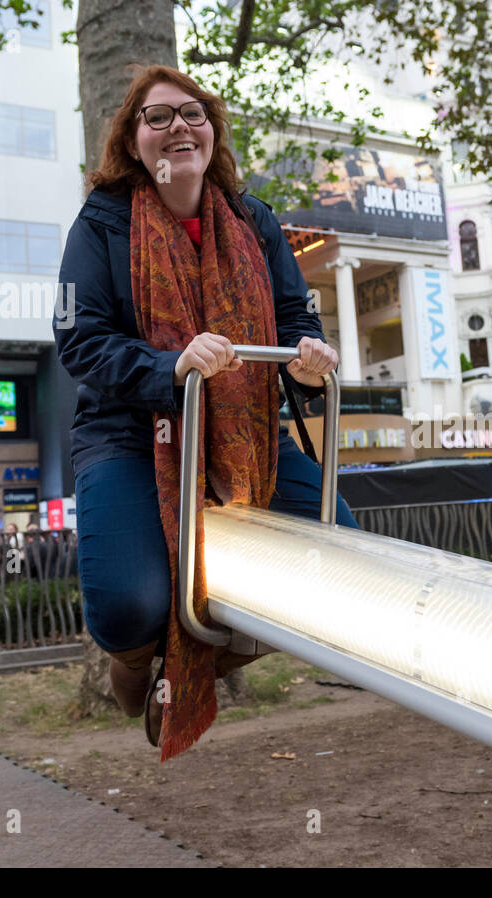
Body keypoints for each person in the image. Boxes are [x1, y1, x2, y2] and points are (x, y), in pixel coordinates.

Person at [54, 65, 360, 752]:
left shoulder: (254, 221)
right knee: (131, 606)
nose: (177, 127)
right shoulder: (101, 222)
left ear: (211, 129)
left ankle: (192, 666)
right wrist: (171, 367)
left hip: (243, 432)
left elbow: (292, 321)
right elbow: (81, 341)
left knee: (340, 559)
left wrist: (312, 363)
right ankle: (135, 657)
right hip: (134, 432)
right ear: (134, 143)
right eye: (156, 118)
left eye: (191, 113)